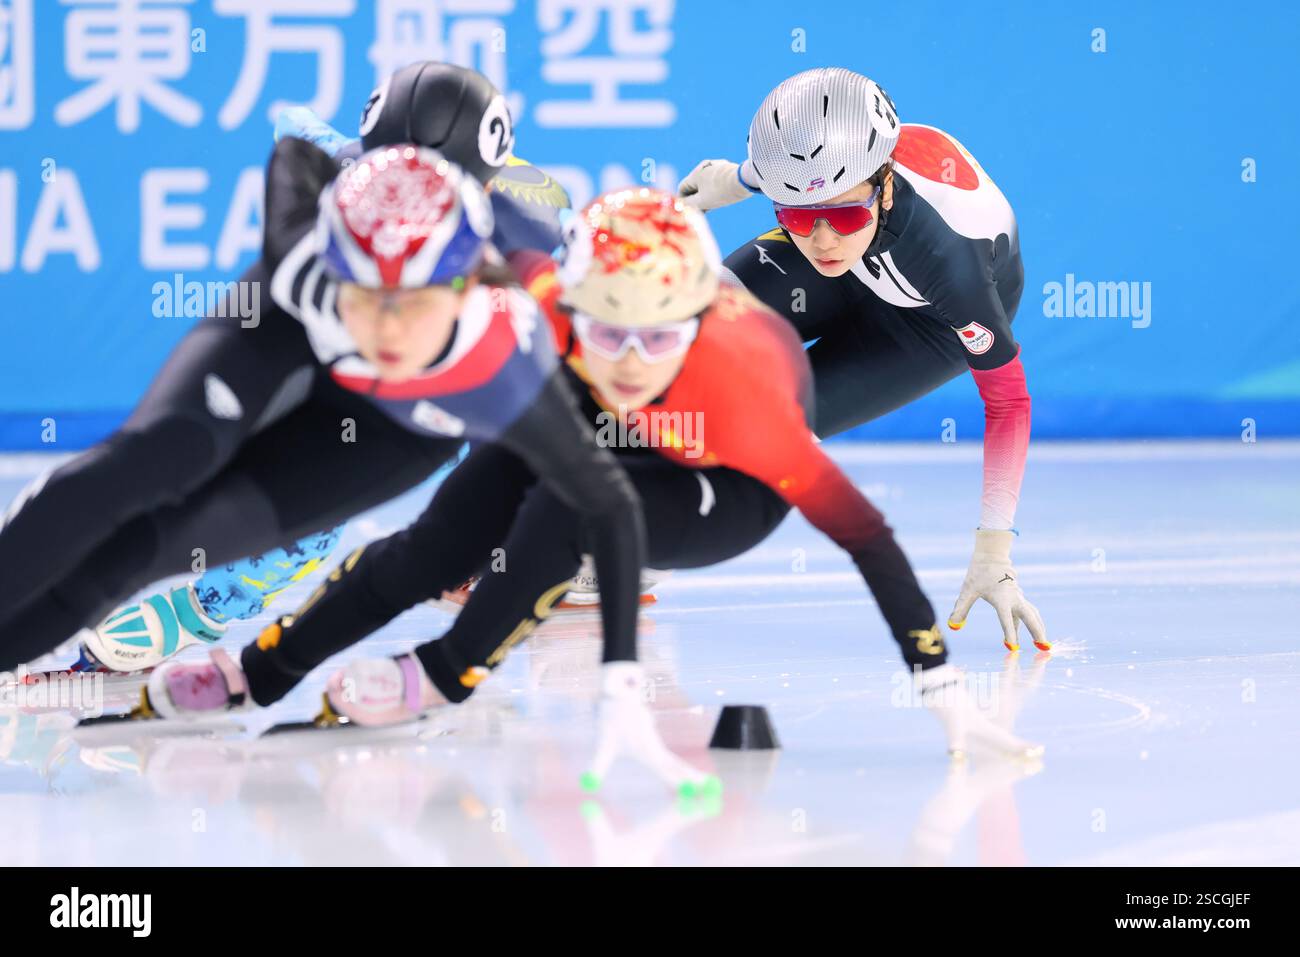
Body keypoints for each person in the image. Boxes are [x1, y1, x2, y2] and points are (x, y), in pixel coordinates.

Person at [147, 189, 1039, 792]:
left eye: (654, 340)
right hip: (620, 441)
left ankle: (445, 674)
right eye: (600, 331)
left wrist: (941, 688)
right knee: (431, 545)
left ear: (694, 319)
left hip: (721, 483)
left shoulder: (744, 395)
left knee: (572, 504)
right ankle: (255, 672)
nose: (624, 364)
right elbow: (476, 203)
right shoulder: (549, 292)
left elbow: (869, 539)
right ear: (565, 301)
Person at [0, 142, 648, 700]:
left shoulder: (513, 368)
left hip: (393, 431)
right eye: (366, 295)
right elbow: (292, 146)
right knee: (145, 465)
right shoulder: (306, 258)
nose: (388, 326)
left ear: (466, 285)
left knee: (145, 552)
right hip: (299, 341)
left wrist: (620, 684)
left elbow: (611, 505)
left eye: (413, 302)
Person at [677, 67, 1046, 653]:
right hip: (861, 271)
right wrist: (733, 181)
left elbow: (1009, 403)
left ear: (886, 185)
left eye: (842, 215)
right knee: (681, 323)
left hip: (928, 328)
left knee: (764, 428)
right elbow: (789, 176)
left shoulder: (951, 255)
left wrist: (993, 550)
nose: (822, 240)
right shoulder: (820, 187)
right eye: (795, 216)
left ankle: (634, 540)